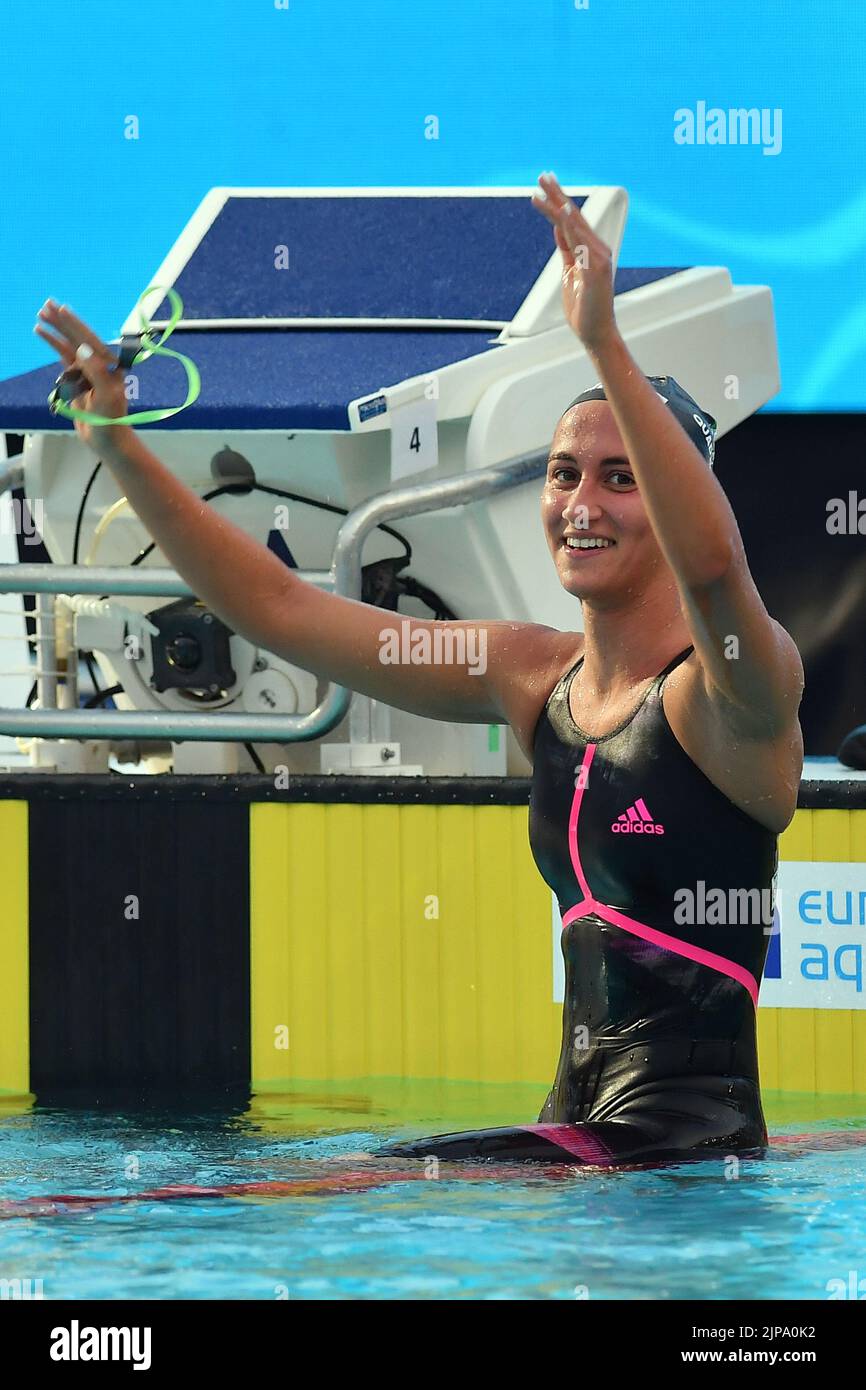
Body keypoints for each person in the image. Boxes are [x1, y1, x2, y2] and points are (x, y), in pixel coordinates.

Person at [35, 171, 804, 1167]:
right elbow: (280, 609)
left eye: (622, 478)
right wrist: (118, 442)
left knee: (342, 1185)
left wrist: (602, 343)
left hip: (678, 1146)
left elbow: (711, 566)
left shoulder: (730, 693)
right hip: (583, 1135)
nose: (580, 502)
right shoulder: (531, 678)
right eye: (563, 471)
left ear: (673, 492)